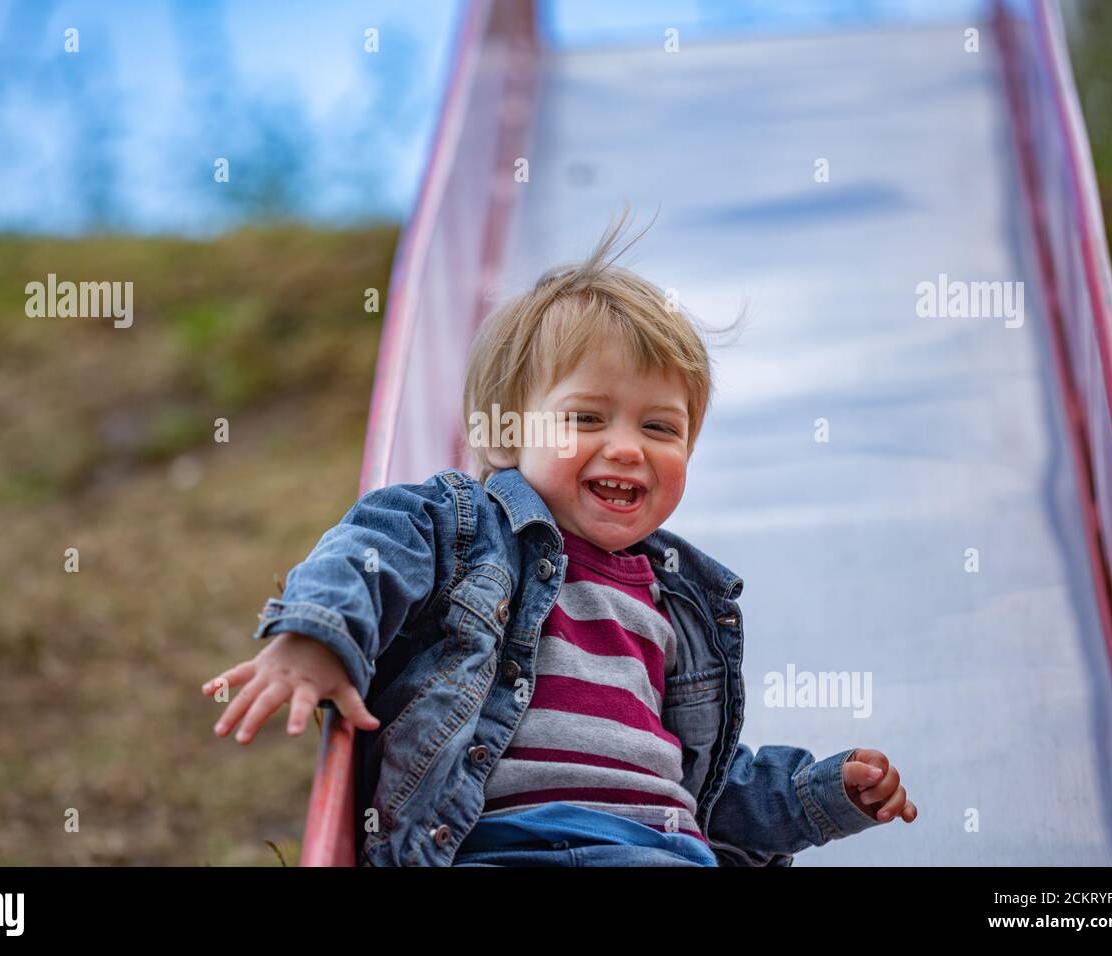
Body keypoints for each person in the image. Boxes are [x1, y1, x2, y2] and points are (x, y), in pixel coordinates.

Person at [202, 206, 917, 866]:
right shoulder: (463, 527)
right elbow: (369, 555)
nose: (629, 448)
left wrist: (819, 795)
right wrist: (318, 636)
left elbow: (707, 783)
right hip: (505, 846)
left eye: (660, 427)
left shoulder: (680, 607)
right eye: (586, 419)